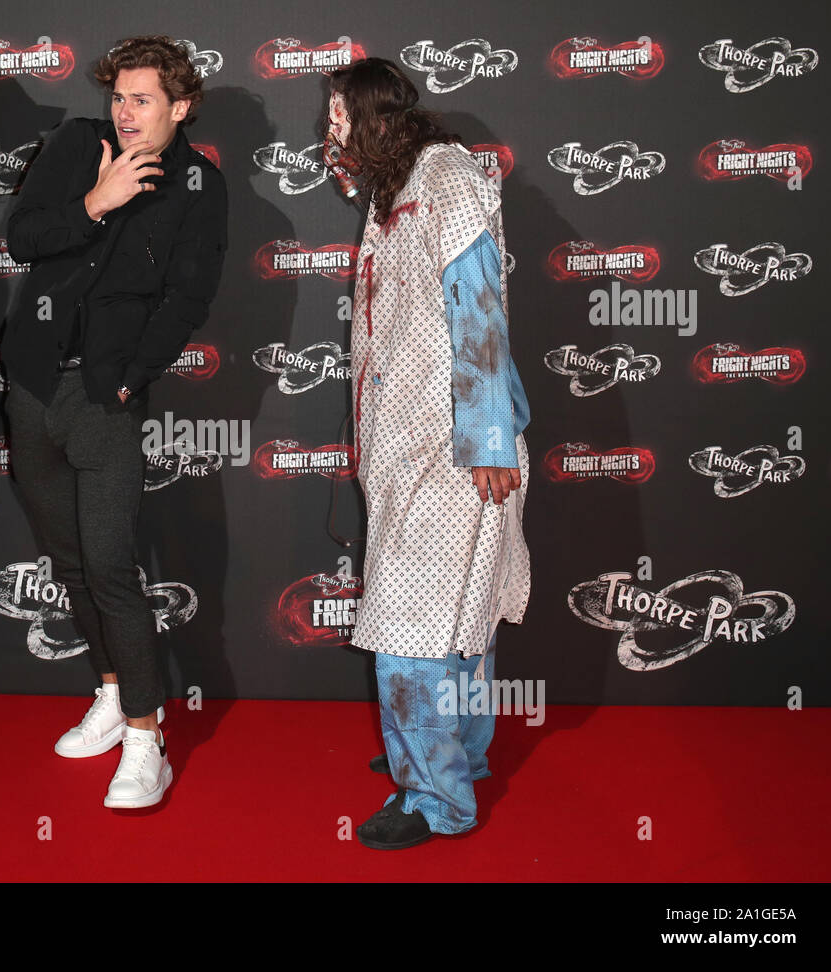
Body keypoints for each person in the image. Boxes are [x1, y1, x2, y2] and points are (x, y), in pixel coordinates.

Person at [0, 35, 227, 809]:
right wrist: (96, 202)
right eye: (119, 98)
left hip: (104, 401)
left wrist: (131, 380)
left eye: (143, 100)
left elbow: (188, 301)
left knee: (109, 567)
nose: (125, 114)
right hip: (31, 387)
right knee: (67, 562)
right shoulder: (75, 146)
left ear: (181, 106)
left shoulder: (200, 185)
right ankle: (107, 691)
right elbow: (20, 237)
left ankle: (144, 736)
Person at [323, 58, 531, 848]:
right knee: (456, 626)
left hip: (454, 451)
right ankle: (457, 758)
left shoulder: (443, 174)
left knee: (414, 631)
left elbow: (477, 298)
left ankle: (434, 799)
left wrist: (483, 438)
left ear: (375, 112)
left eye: (338, 115)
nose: (328, 130)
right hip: (414, 448)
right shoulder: (397, 185)